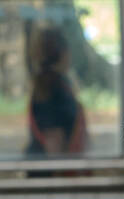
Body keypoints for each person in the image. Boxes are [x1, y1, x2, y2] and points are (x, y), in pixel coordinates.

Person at [23, 23, 88, 161]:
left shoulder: (50, 85)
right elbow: (54, 150)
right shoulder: (54, 90)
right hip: (51, 176)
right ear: (63, 53)